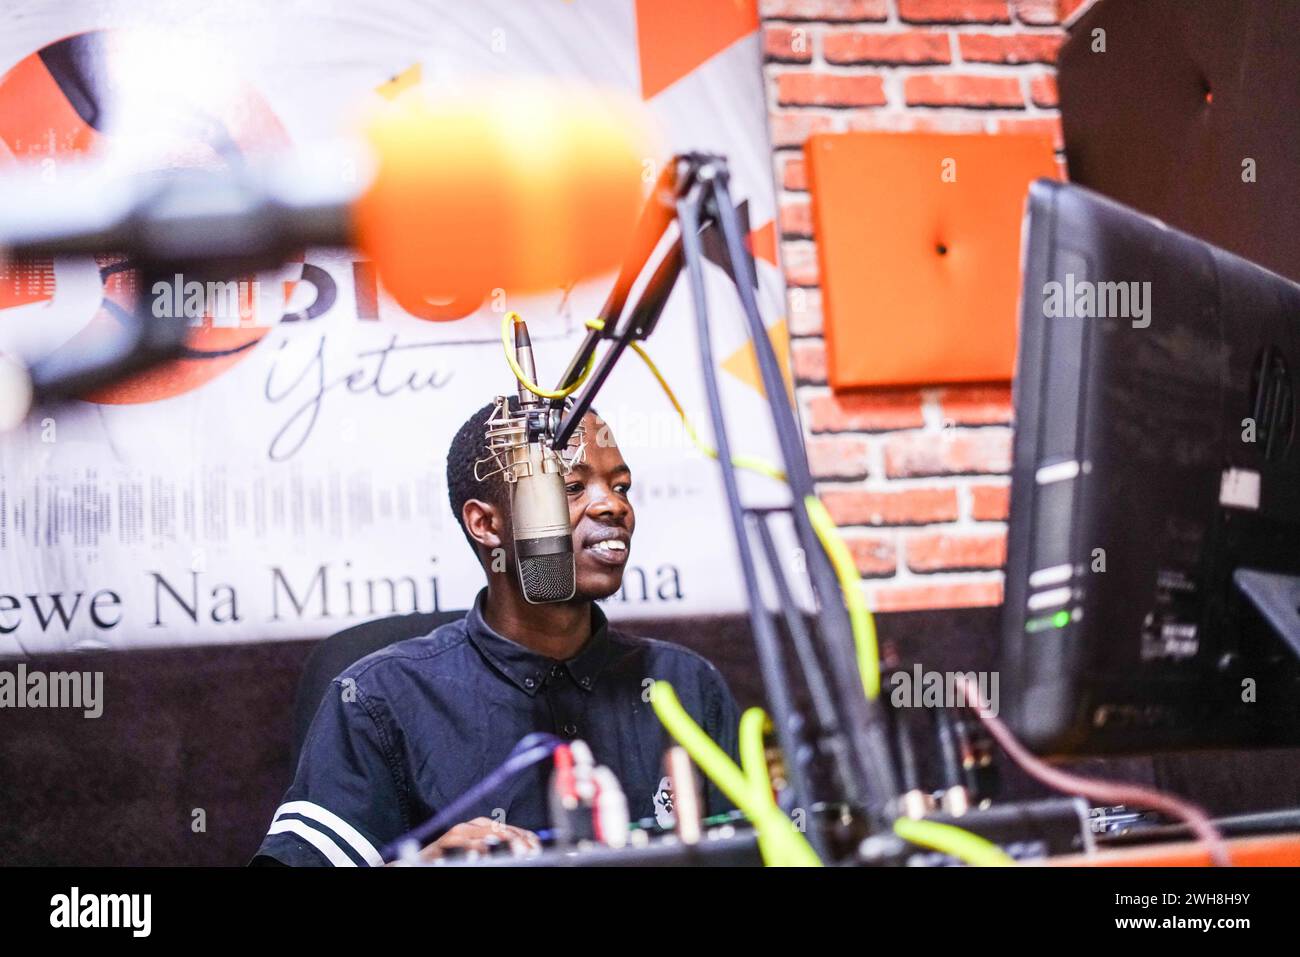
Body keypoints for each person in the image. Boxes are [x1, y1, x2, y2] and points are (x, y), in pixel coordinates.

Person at [251, 401, 741, 865]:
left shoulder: (685, 683)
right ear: (486, 523)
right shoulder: (379, 698)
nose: (612, 505)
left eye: (622, 486)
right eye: (572, 487)